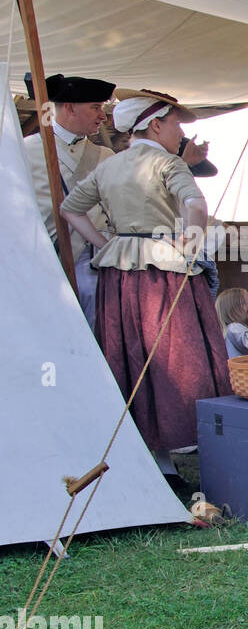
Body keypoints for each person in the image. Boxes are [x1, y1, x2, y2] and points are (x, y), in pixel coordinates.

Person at [60, 89, 232, 484]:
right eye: (175, 125)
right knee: (180, 361)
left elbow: (71, 209)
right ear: (155, 124)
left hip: (119, 276)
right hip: (165, 274)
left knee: (133, 360)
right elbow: (198, 204)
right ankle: (204, 455)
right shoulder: (168, 163)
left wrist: (106, 244)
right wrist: (189, 241)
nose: (179, 134)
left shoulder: (109, 167)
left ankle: (160, 464)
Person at [22, 73, 116, 329]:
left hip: (94, 265)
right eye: (95, 107)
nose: (103, 116)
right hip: (43, 263)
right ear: (69, 107)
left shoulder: (105, 156)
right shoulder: (26, 150)